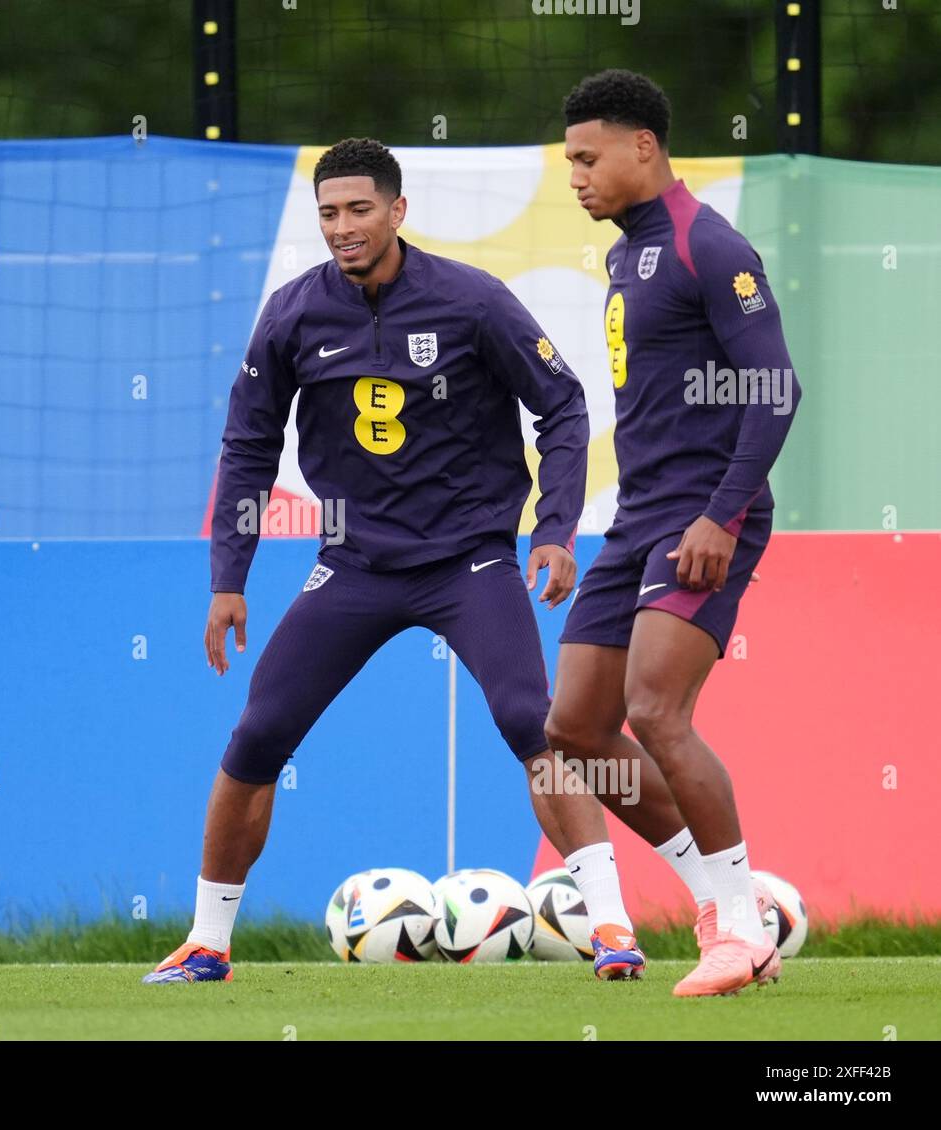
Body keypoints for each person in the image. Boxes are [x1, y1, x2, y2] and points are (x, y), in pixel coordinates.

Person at [145, 137, 647, 985]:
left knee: (535, 720)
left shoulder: (471, 301)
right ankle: (206, 943)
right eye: (329, 214)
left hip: (468, 560)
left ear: (398, 211)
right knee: (259, 732)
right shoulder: (293, 314)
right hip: (353, 564)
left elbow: (561, 404)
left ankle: (611, 927)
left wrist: (554, 529)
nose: (343, 228)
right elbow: (247, 446)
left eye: (359, 210)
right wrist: (228, 578)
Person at [552, 70, 802, 997]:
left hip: (705, 513)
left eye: (587, 157)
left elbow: (777, 391)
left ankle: (742, 934)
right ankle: (717, 899)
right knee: (573, 728)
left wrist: (721, 514)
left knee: (656, 712)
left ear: (643, 148)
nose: (575, 176)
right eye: (569, 160)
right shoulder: (627, 252)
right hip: (640, 517)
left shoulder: (711, 245)